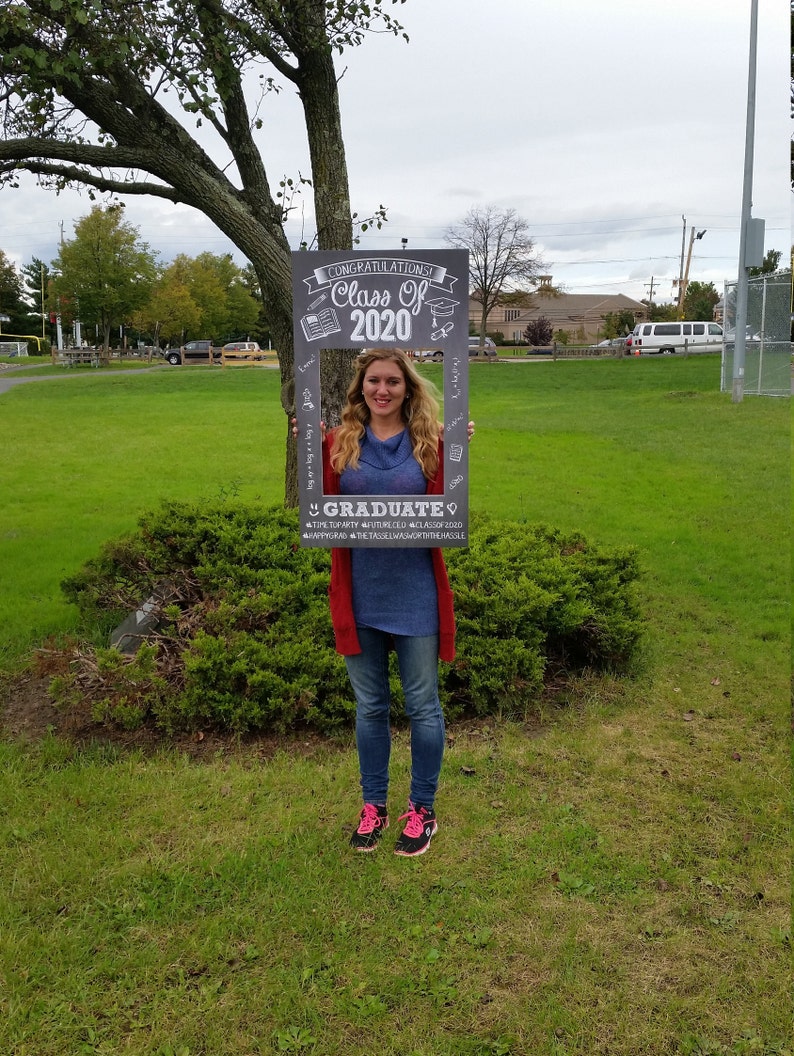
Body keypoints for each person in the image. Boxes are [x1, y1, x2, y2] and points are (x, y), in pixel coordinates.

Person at [295, 348, 472, 856]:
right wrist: (309, 451)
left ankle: (423, 809)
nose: (383, 390)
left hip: (415, 595)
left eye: (393, 381)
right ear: (361, 386)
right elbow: (320, 509)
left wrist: (460, 449)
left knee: (422, 706)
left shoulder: (432, 445)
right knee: (370, 707)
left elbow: (449, 510)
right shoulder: (339, 441)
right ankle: (374, 805)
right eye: (374, 380)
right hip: (360, 595)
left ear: (408, 387)